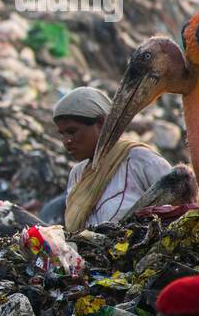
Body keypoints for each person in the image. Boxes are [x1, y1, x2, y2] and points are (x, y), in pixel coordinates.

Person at [55, 86, 172, 232]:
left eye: (72, 131)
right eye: (62, 134)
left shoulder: (143, 162)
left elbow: (179, 219)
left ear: (102, 123)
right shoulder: (77, 174)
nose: (67, 141)